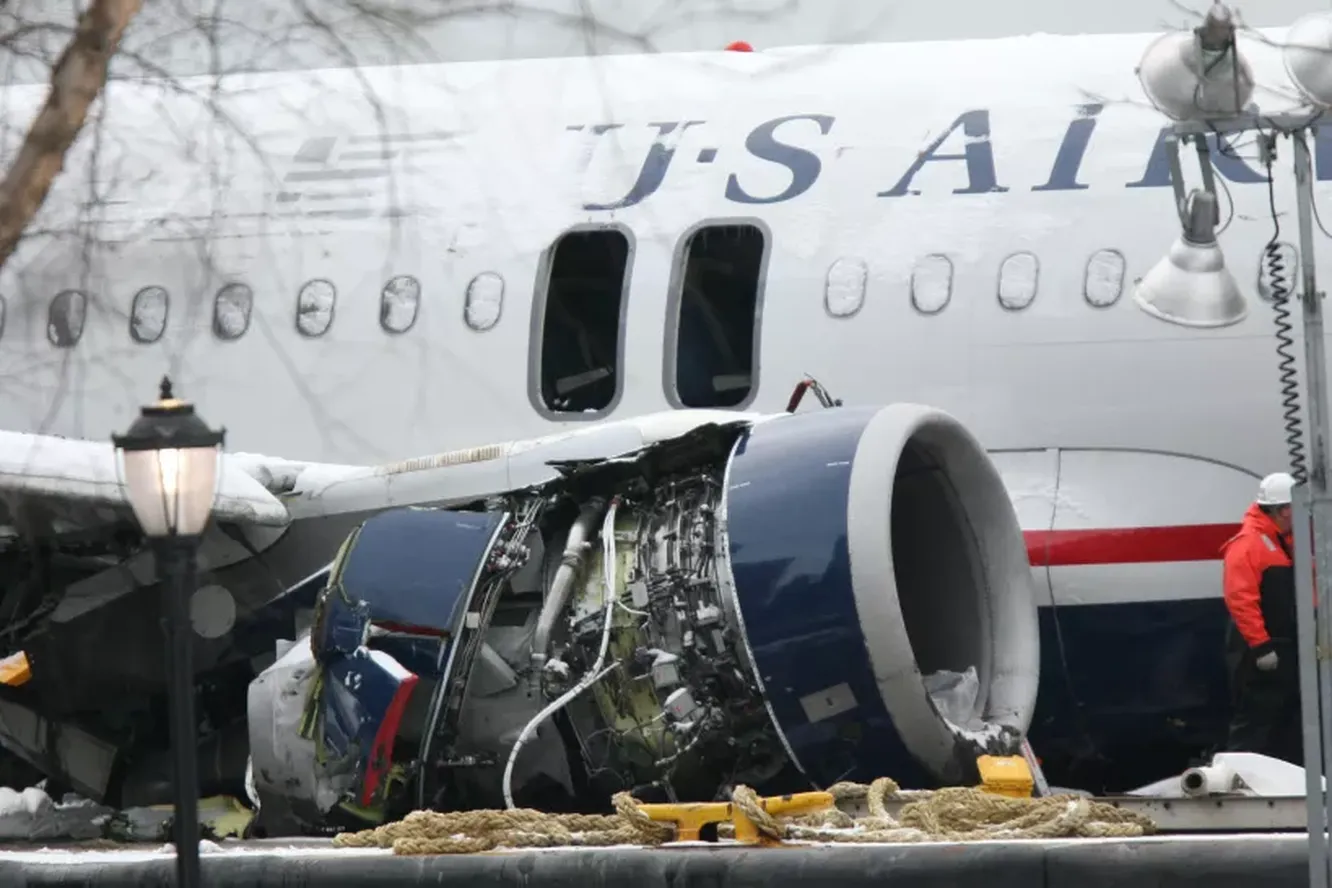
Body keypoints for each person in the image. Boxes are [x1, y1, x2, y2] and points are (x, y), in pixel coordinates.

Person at [1221, 471, 1302, 764]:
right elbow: (1241, 600)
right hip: (1259, 654)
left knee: (1283, 724)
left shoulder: (1282, 542)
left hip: (1283, 650)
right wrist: (1261, 647)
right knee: (1254, 722)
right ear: (1282, 510)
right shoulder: (1249, 545)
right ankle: (1235, 782)